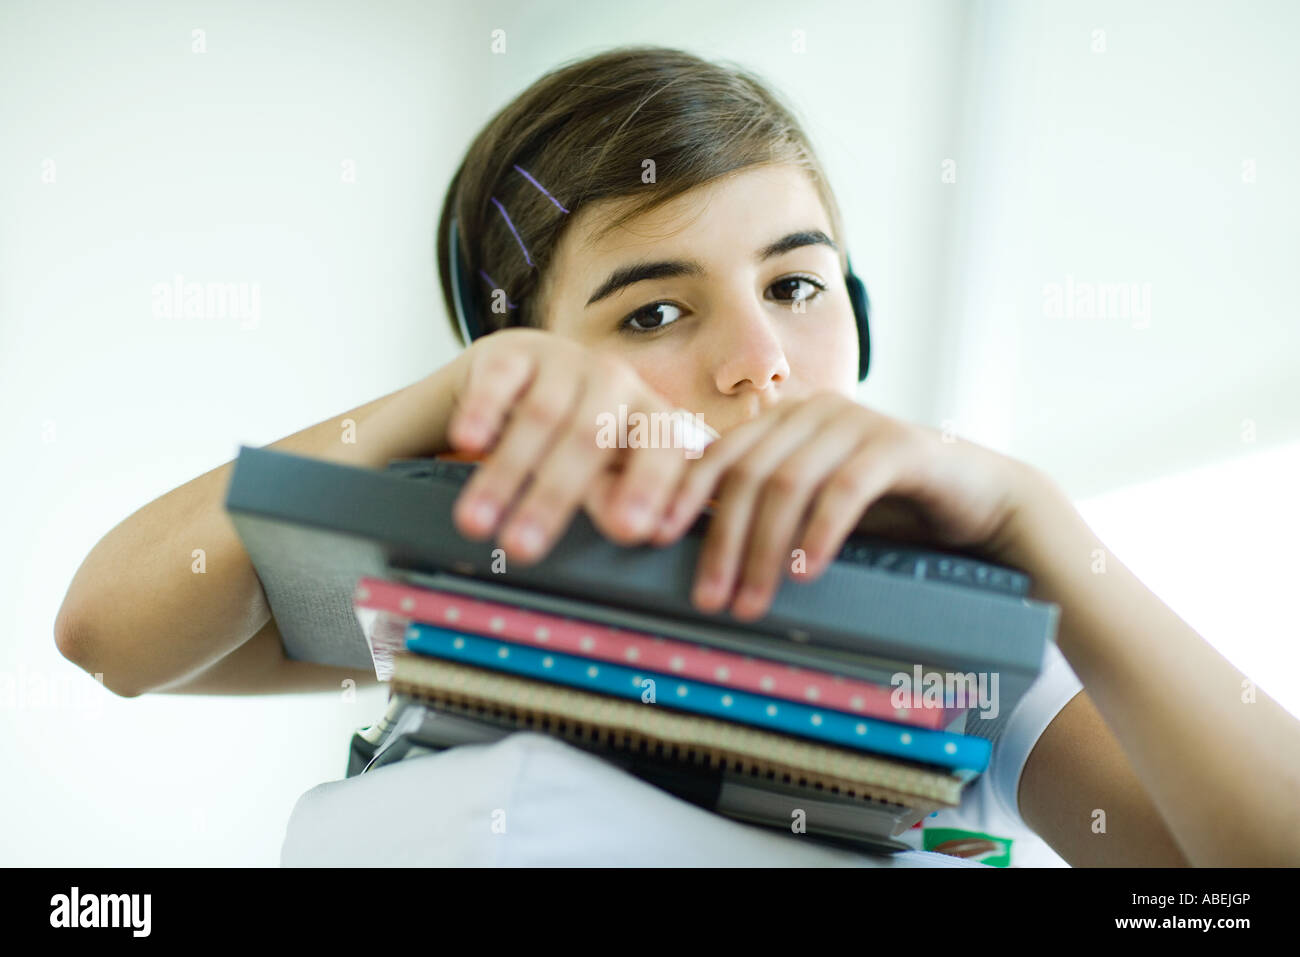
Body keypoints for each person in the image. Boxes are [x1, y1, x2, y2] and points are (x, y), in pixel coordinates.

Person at [55, 46, 1300, 867]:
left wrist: (1037, 526)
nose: (757, 357)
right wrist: (441, 401)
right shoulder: (466, 584)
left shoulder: (949, 645)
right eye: (654, 310)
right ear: (528, 366)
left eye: (797, 284)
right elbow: (112, 635)